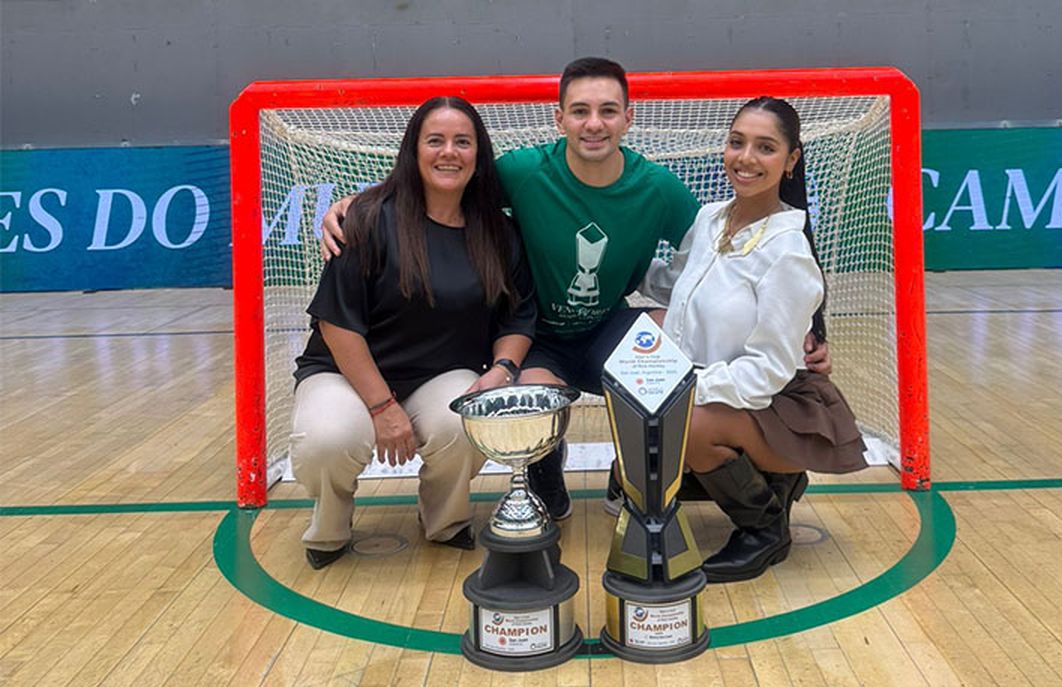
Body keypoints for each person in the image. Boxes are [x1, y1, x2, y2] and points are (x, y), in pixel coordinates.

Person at [321, 58, 831, 522]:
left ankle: (642, 472)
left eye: (608, 111)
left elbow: (728, 253)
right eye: (581, 111)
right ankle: (545, 468)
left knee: (663, 342)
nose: (594, 123)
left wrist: (812, 327)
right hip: (533, 335)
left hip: (606, 324)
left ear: (628, 119)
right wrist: (359, 204)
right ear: (559, 119)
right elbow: (444, 181)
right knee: (534, 398)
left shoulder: (658, 188)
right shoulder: (523, 172)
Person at [291, 96, 536, 570]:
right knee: (327, 439)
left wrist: (503, 370)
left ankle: (445, 519)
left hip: (437, 376)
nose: (449, 152)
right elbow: (336, 323)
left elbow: (518, 317)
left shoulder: (499, 233)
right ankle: (330, 526)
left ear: (478, 155)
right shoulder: (363, 218)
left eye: (463, 142)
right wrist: (383, 408)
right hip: (346, 373)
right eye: (436, 141)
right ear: (413, 150)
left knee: (468, 420)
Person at [638, 97, 869, 583]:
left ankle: (764, 528)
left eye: (765, 148)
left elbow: (767, 374)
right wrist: (612, 263)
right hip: (723, 394)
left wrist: (682, 391)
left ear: (791, 160)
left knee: (685, 427)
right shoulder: (710, 219)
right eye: (737, 142)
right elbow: (671, 287)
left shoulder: (787, 252)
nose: (746, 158)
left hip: (781, 409)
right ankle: (760, 479)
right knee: (635, 465)